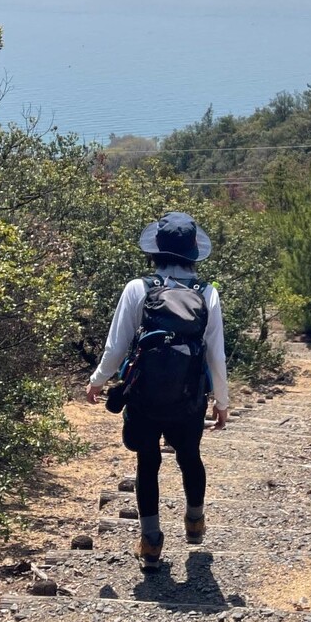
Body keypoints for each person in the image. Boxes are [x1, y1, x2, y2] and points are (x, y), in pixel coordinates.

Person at [86, 211, 230, 569]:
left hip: (144, 396)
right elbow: (216, 355)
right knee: (189, 456)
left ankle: (150, 543)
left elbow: (116, 346)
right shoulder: (207, 293)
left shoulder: (139, 288)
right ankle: (194, 520)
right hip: (189, 398)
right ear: (193, 252)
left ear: (156, 250)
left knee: (146, 463)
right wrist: (222, 402)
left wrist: (98, 380)